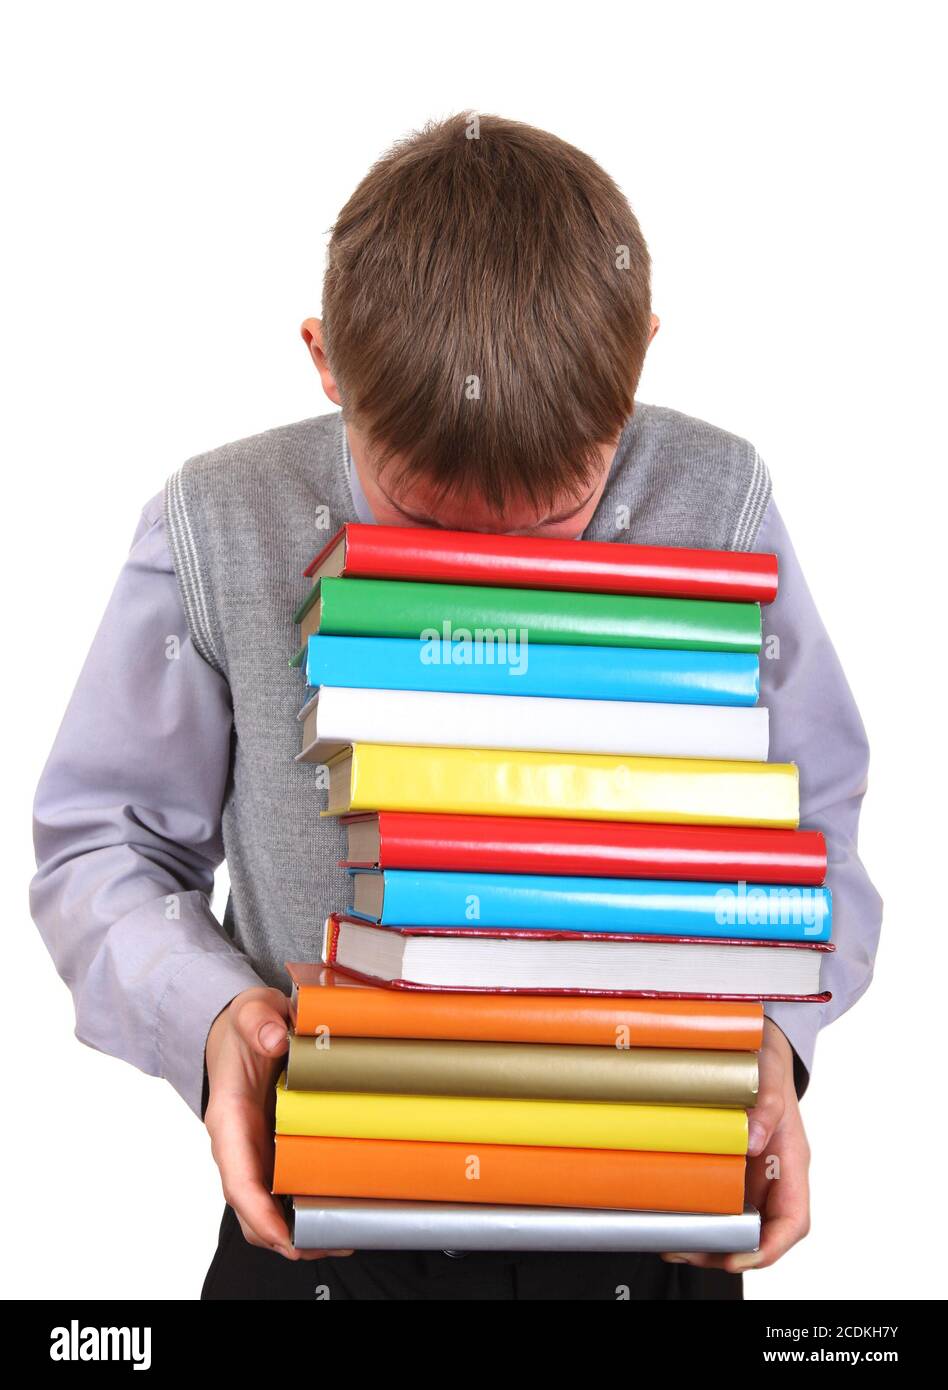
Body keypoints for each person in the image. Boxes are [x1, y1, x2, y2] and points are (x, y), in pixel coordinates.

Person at [30, 113, 882, 1301]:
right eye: (426, 524)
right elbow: (103, 842)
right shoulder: (216, 521)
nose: (487, 574)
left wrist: (780, 1043)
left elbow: (810, 821)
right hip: (322, 1225)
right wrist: (214, 1014)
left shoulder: (720, 497)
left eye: (552, 516)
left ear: (638, 359)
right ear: (328, 364)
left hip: (650, 1212)